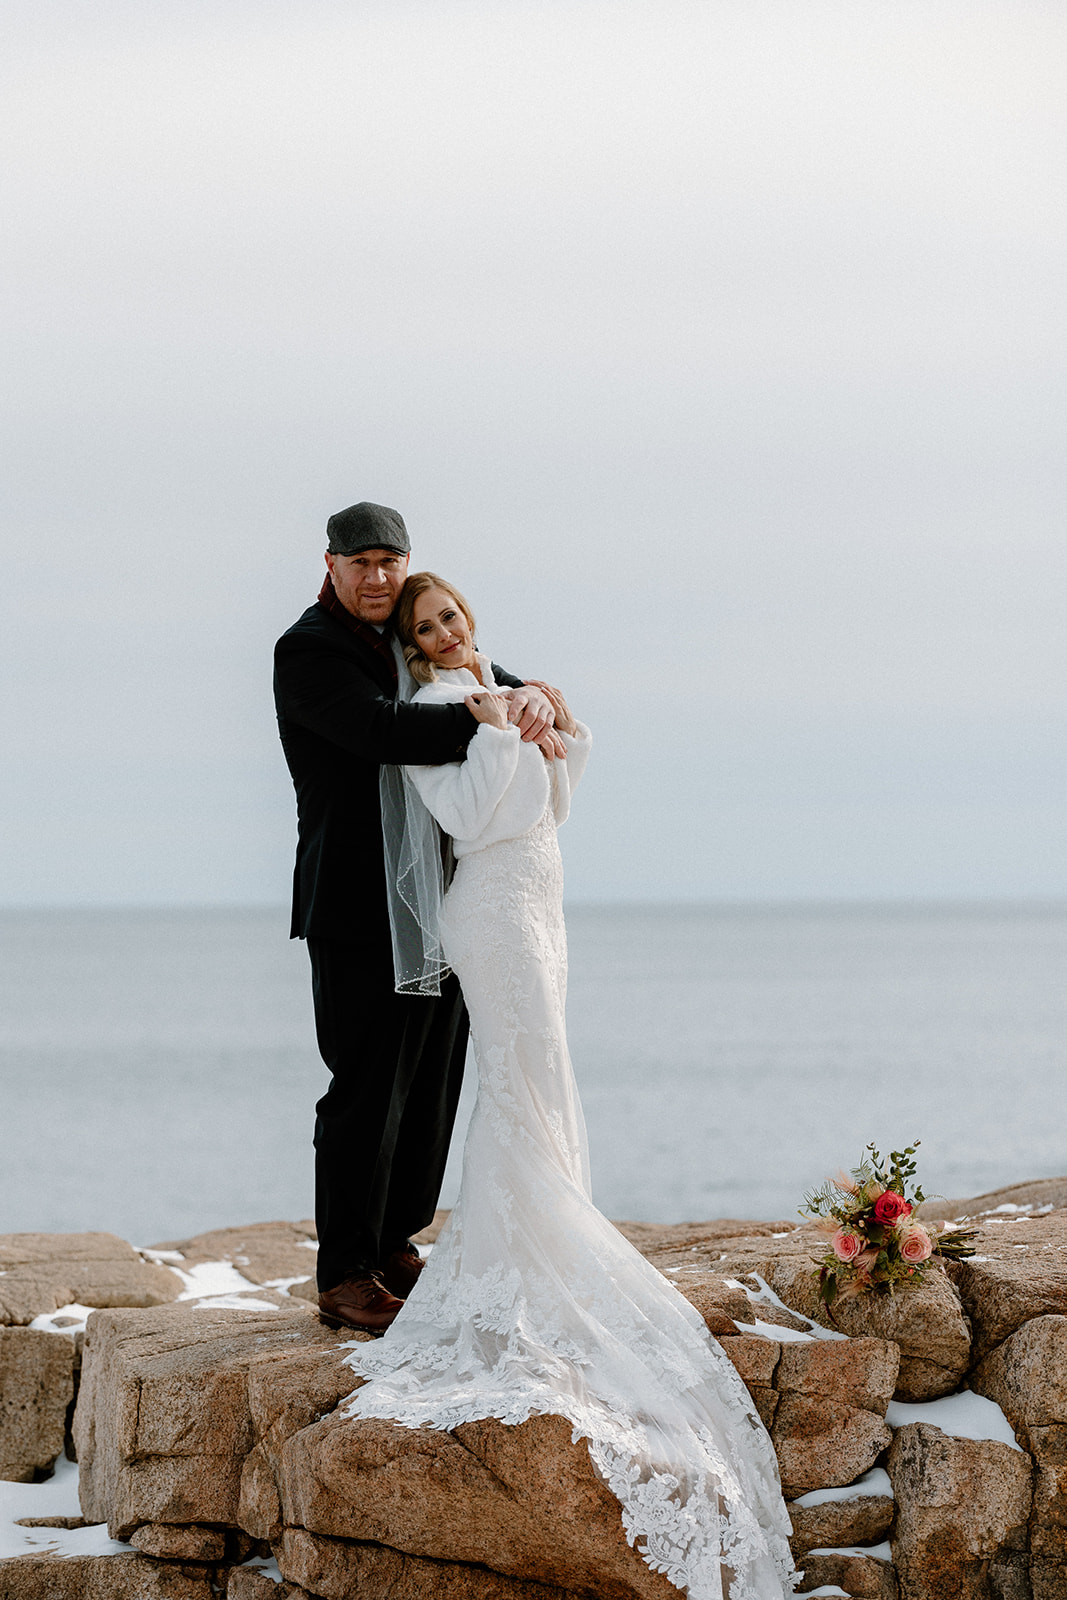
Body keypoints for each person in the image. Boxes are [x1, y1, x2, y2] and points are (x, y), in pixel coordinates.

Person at [343, 572, 798, 1600]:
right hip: (491, 910)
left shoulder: (496, 682)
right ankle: (521, 1253)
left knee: (543, 1072)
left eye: (451, 614)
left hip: (542, 901)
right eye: (426, 628)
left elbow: (553, 797)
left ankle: (548, 1225)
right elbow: (465, 806)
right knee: (517, 1073)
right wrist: (496, 723)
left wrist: (558, 721)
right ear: (409, 648)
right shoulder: (429, 710)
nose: (447, 634)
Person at [273, 503, 558, 1334]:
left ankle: (393, 1240)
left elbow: (477, 672)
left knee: (431, 1080)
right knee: (364, 1086)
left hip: (443, 895)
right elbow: (378, 728)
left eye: (388, 562)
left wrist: (533, 694)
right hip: (357, 904)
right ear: (328, 565)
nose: (375, 577)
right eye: (358, 562)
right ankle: (342, 1273)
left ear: (406, 564)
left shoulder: (404, 633)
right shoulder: (309, 649)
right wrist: (483, 718)